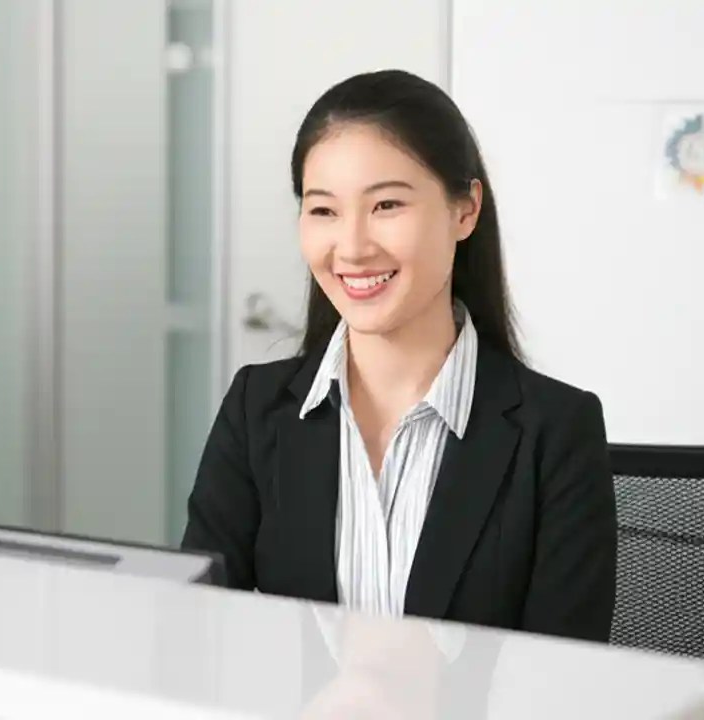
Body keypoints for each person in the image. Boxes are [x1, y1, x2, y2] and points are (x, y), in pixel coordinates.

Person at [182, 69, 617, 643]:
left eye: (386, 205)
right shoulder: (255, 409)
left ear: (465, 210)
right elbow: (196, 634)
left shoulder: (556, 431)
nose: (354, 247)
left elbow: (560, 686)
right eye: (324, 211)